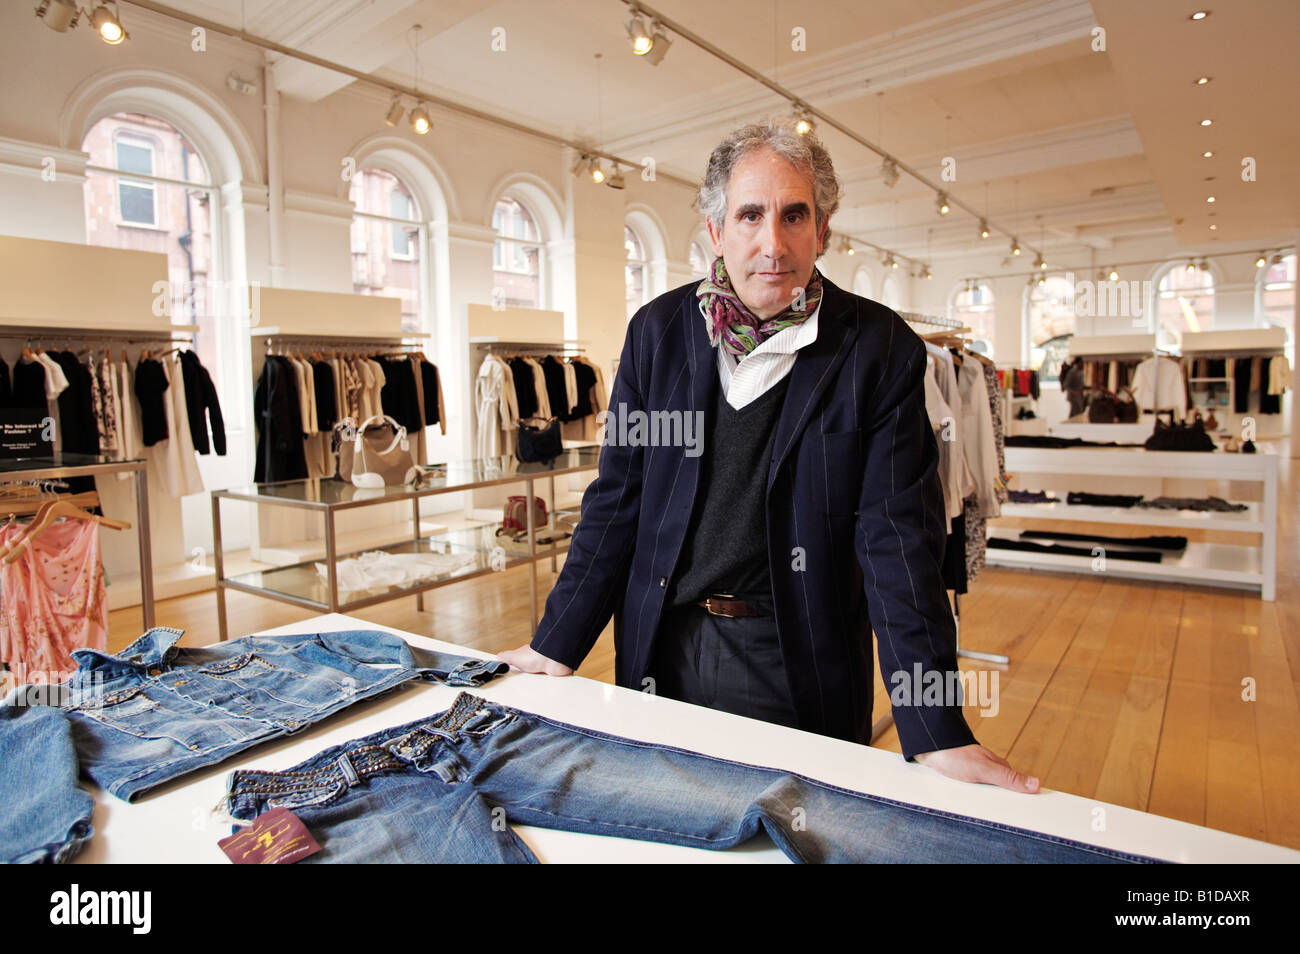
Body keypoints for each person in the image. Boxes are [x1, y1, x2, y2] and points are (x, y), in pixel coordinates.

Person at [500, 118, 1038, 794]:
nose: (772, 243)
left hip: (799, 654)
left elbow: (897, 544)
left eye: (794, 216)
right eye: (749, 215)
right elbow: (618, 502)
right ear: (715, 230)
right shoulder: (658, 335)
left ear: (824, 230)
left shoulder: (879, 351)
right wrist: (556, 642)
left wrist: (936, 728)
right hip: (660, 642)